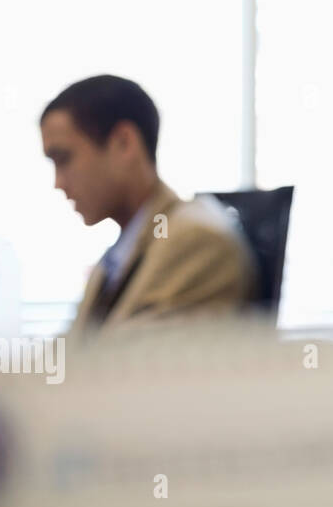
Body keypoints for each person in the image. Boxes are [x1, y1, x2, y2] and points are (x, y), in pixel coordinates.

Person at [40, 75, 258, 341]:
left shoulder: (195, 241)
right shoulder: (119, 257)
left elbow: (121, 372)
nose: (58, 183)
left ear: (124, 143)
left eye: (63, 159)